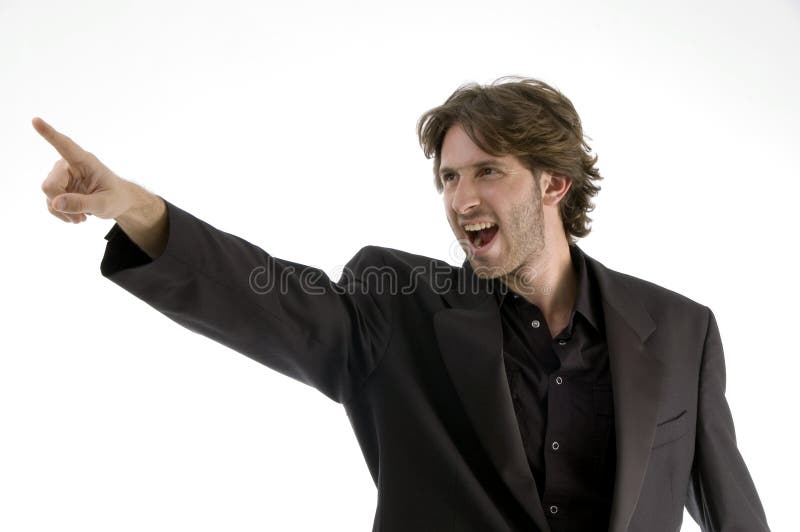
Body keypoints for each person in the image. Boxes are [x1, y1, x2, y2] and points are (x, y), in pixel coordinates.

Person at [35, 76, 770, 532]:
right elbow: (260, 297)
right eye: (449, 178)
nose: (462, 198)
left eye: (488, 171)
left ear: (554, 185)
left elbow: (732, 514)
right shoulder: (397, 308)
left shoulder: (679, 330)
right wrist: (135, 208)